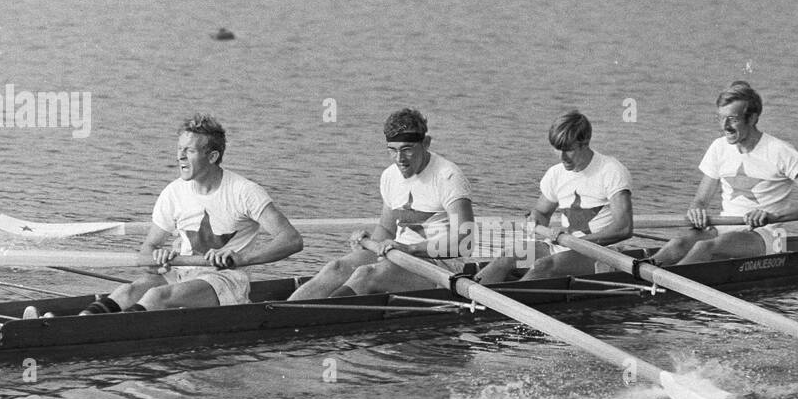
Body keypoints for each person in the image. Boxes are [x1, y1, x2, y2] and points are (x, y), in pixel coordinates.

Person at [80, 114, 303, 313]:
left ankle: (110, 332)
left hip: (225, 278)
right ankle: (84, 322)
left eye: (190, 151)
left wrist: (241, 258)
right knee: (127, 291)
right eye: (179, 149)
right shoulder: (173, 192)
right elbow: (148, 249)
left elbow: (291, 240)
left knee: (157, 296)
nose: (180, 157)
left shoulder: (245, 192)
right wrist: (158, 259)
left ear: (212, 156)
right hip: (181, 273)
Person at [287, 108, 474, 299]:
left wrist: (410, 249)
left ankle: (314, 318)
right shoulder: (389, 176)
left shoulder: (448, 177)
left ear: (426, 143)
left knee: (365, 275)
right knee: (335, 268)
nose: (399, 159)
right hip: (397, 255)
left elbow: (464, 243)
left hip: (439, 267)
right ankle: (281, 314)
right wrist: (369, 244)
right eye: (392, 150)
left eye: (407, 150)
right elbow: (387, 229)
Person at [652, 82, 798, 266]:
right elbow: (700, 200)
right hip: (725, 228)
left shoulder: (780, 151)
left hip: (767, 234)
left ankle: (664, 287)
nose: (725, 126)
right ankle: (639, 274)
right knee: (678, 244)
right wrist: (697, 210)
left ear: (752, 118)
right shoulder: (718, 147)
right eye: (720, 118)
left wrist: (774, 216)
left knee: (703, 248)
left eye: (733, 119)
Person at [478, 109, 632, 283]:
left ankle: (501, 305)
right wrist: (535, 219)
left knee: (543, 266)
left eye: (568, 150)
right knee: (506, 257)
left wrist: (573, 241)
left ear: (585, 142)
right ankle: (467, 298)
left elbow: (623, 228)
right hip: (562, 246)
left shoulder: (611, 170)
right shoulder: (556, 174)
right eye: (558, 150)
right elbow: (542, 212)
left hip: (601, 253)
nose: (562, 157)